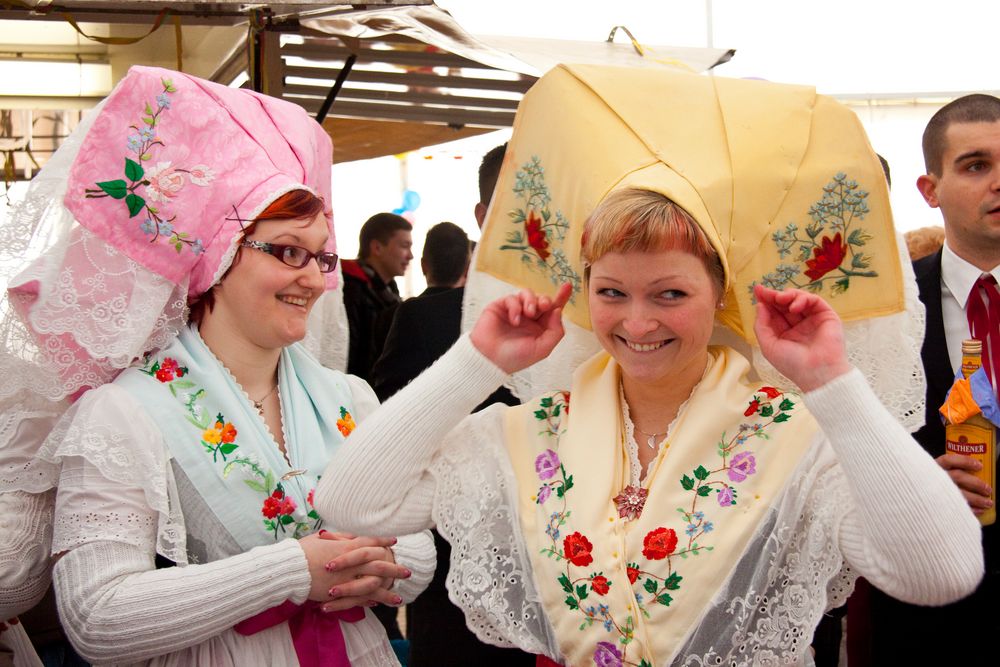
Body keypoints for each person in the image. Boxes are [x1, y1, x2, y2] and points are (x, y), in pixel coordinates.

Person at [312, 65, 983, 666]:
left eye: (670, 293)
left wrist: (831, 382)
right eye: (612, 293)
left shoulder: (793, 438)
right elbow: (352, 499)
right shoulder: (534, 433)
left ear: (719, 295)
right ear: (583, 293)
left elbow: (942, 571)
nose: (637, 322)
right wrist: (477, 361)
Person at [0, 66, 434, 666]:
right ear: (219, 256)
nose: (314, 278)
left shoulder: (349, 396)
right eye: (288, 252)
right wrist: (289, 571)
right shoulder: (124, 411)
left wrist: (374, 567)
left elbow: (419, 553)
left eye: (321, 257)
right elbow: (96, 616)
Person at [370, 147, 531, 667]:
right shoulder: (428, 317)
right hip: (454, 577)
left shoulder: (612, 315)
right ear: (483, 217)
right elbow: (388, 441)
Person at [856, 93, 1000, 665]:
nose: (998, 182)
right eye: (975, 165)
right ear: (929, 189)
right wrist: (914, 482)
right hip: (926, 610)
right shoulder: (886, 310)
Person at [341, 213, 413, 380]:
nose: (410, 255)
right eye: (404, 246)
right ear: (377, 248)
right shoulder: (351, 289)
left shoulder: (389, 292)